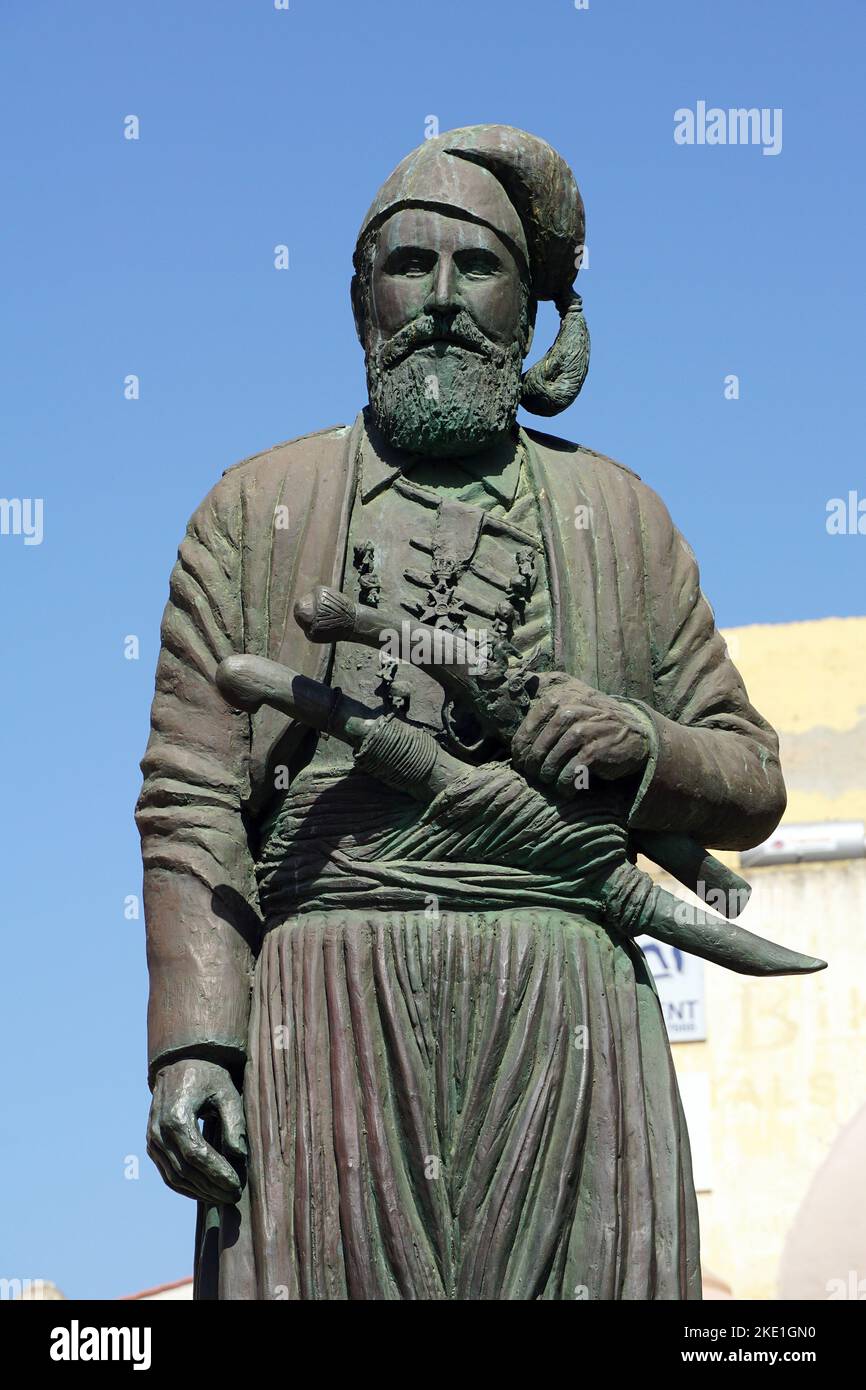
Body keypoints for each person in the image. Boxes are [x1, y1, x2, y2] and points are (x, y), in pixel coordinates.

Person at [137, 126, 786, 1300]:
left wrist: (635, 745)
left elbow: (749, 781)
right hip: (318, 1020)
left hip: (569, 1014)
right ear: (359, 300)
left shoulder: (618, 516)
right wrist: (195, 1042)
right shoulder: (250, 511)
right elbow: (190, 798)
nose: (440, 300)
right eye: (408, 266)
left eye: (476, 268)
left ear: (530, 306)